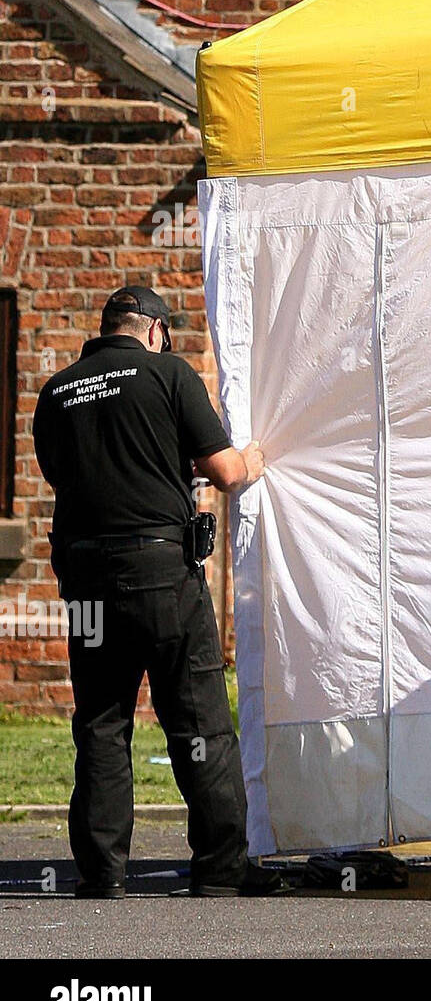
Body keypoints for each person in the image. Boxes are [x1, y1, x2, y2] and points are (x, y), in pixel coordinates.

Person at [32, 285, 282, 899]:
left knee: (101, 722)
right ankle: (220, 869)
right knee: (198, 720)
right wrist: (251, 458)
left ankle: (101, 873)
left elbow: (75, 474)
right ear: (154, 331)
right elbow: (225, 472)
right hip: (161, 575)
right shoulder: (169, 375)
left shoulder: (57, 392)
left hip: (87, 582)